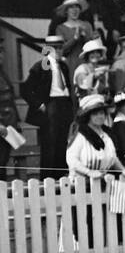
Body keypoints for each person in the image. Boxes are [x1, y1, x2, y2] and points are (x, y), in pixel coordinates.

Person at [65, 94, 125, 249]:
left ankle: (108, 252)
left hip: (104, 184)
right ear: (88, 116)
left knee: (109, 220)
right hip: (82, 185)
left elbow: (112, 156)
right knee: (86, 223)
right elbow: (72, 160)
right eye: (95, 113)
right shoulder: (80, 135)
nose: (100, 116)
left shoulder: (106, 134)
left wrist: (123, 170)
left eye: (102, 113)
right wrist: (89, 172)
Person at [22, 35, 75, 175]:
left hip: (64, 105)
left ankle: (60, 177)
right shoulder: (41, 65)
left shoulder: (63, 66)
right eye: (54, 48)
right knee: (50, 143)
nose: (58, 51)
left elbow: (68, 87)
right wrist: (39, 105)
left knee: (62, 142)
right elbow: (25, 89)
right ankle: (47, 179)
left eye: (60, 47)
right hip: (50, 105)